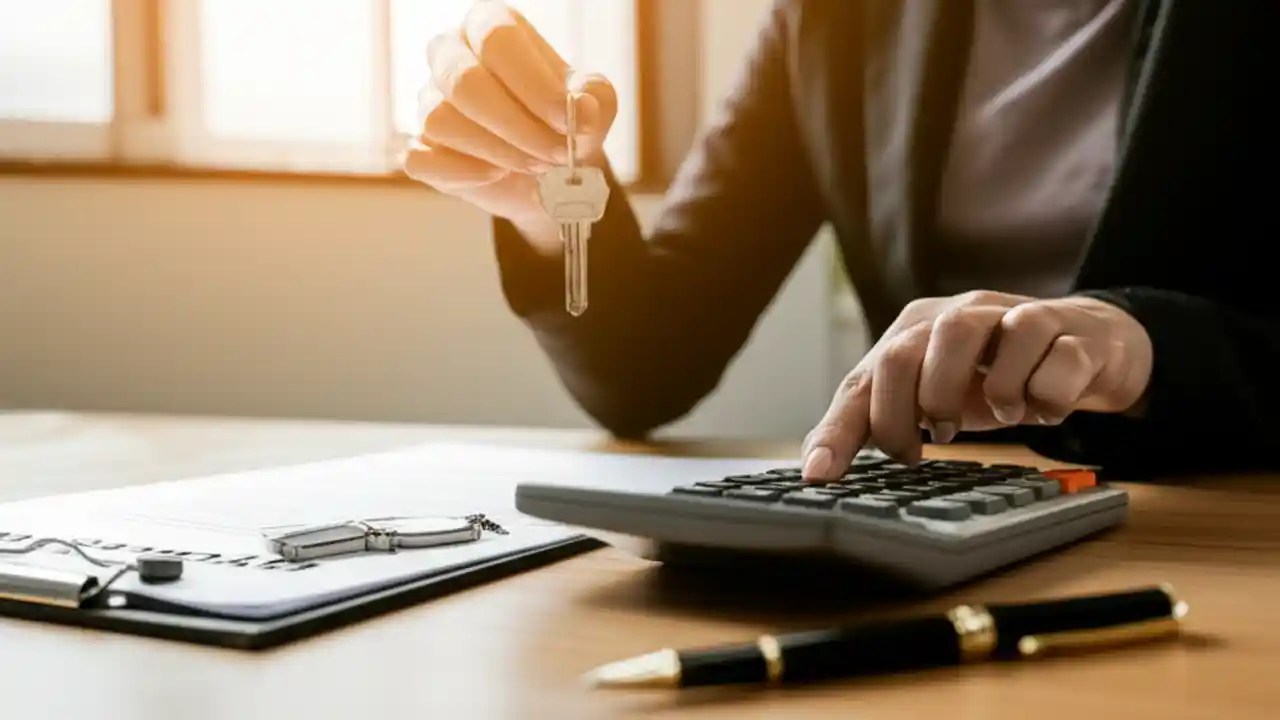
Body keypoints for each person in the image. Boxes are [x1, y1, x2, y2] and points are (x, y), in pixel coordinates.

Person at [403, 0, 1277, 480]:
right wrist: (551, 201)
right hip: (934, 520)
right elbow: (645, 364)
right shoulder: (837, 17)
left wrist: (1149, 348)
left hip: (1222, 524)